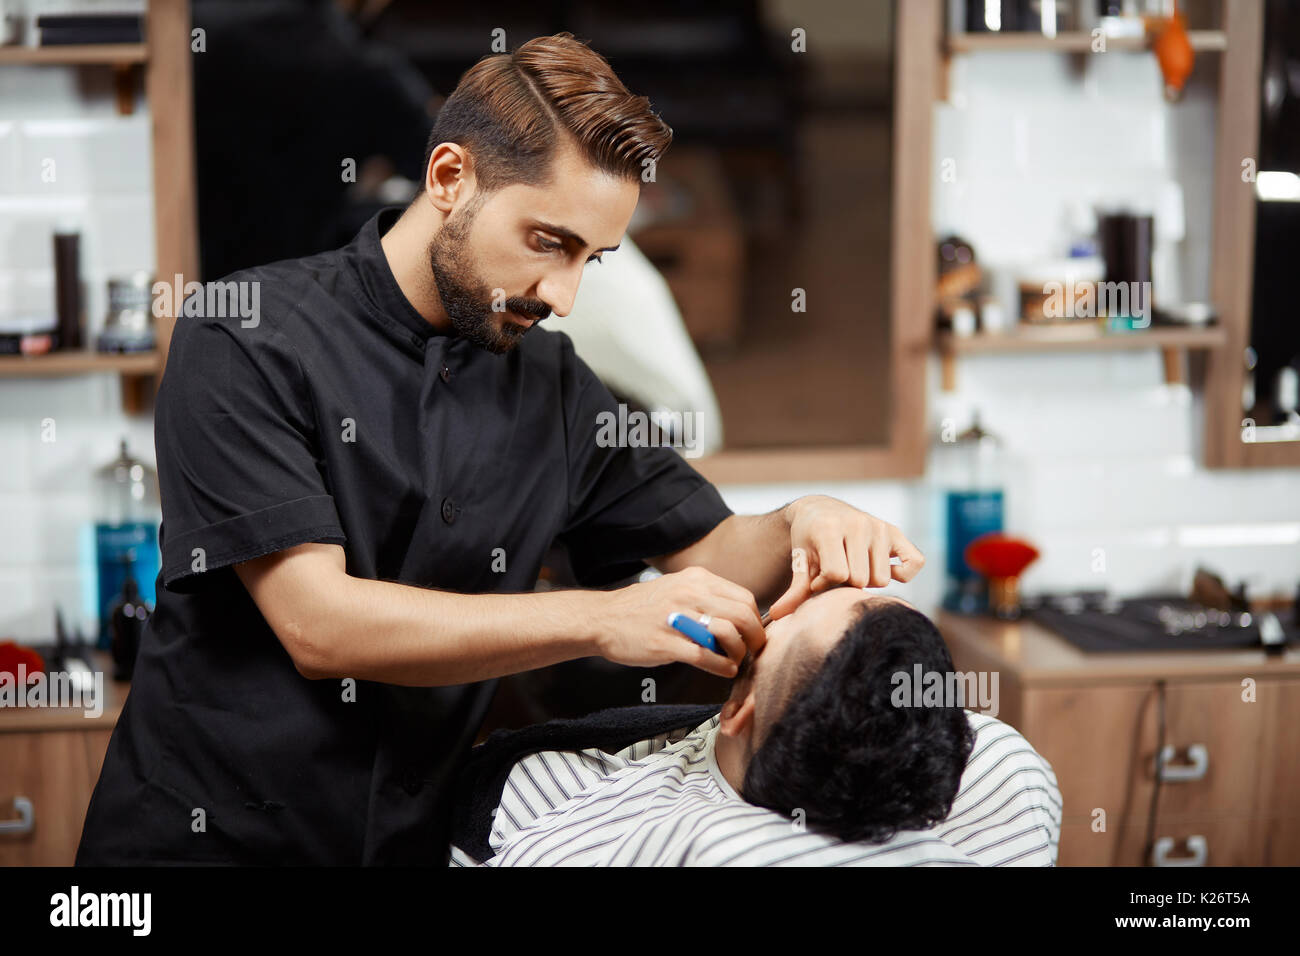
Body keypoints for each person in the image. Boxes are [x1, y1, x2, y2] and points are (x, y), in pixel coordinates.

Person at [76, 32, 924, 866]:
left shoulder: (550, 383)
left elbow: (710, 546)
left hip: (407, 847)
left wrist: (803, 521)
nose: (563, 294)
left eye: (592, 259)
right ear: (451, 177)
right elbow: (317, 624)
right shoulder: (246, 336)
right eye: (549, 241)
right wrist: (600, 619)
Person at [451, 589, 1059, 867]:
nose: (783, 603)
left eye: (783, 621)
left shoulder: (559, 803)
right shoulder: (999, 768)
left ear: (736, 711)